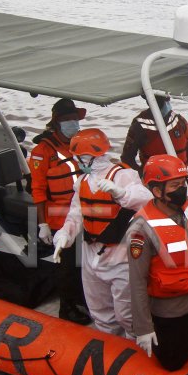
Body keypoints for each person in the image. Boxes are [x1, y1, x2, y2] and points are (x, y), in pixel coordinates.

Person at [51, 128, 152, 337]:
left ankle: (135, 344)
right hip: (92, 253)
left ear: (88, 158)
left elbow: (146, 198)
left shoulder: (123, 175)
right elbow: (75, 215)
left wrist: (122, 193)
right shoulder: (82, 183)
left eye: (79, 158)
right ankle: (109, 344)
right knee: (99, 310)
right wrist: (64, 235)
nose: (77, 162)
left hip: (121, 256)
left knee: (126, 313)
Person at [127, 155, 188, 370]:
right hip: (171, 311)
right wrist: (143, 327)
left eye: (183, 184)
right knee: (172, 363)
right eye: (175, 185)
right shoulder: (141, 229)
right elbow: (137, 281)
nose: (182, 190)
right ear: (157, 191)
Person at [29, 98, 91, 325]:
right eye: (67, 120)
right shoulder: (42, 152)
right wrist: (42, 224)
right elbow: (37, 190)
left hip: (85, 212)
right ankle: (67, 308)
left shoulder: (79, 145)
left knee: (85, 261)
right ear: (56, 123)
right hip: (61, 219)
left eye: (75, 119)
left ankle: (83, 298)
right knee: (67, 266)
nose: (72, 124)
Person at [120, 92, 188, 174]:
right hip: (155, 180)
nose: (167, 103)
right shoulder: (139, 126)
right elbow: (127, 159)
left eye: (168, 99)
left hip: (181, 177)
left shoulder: (179, 121)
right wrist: (142, 177)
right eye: (164, 100)